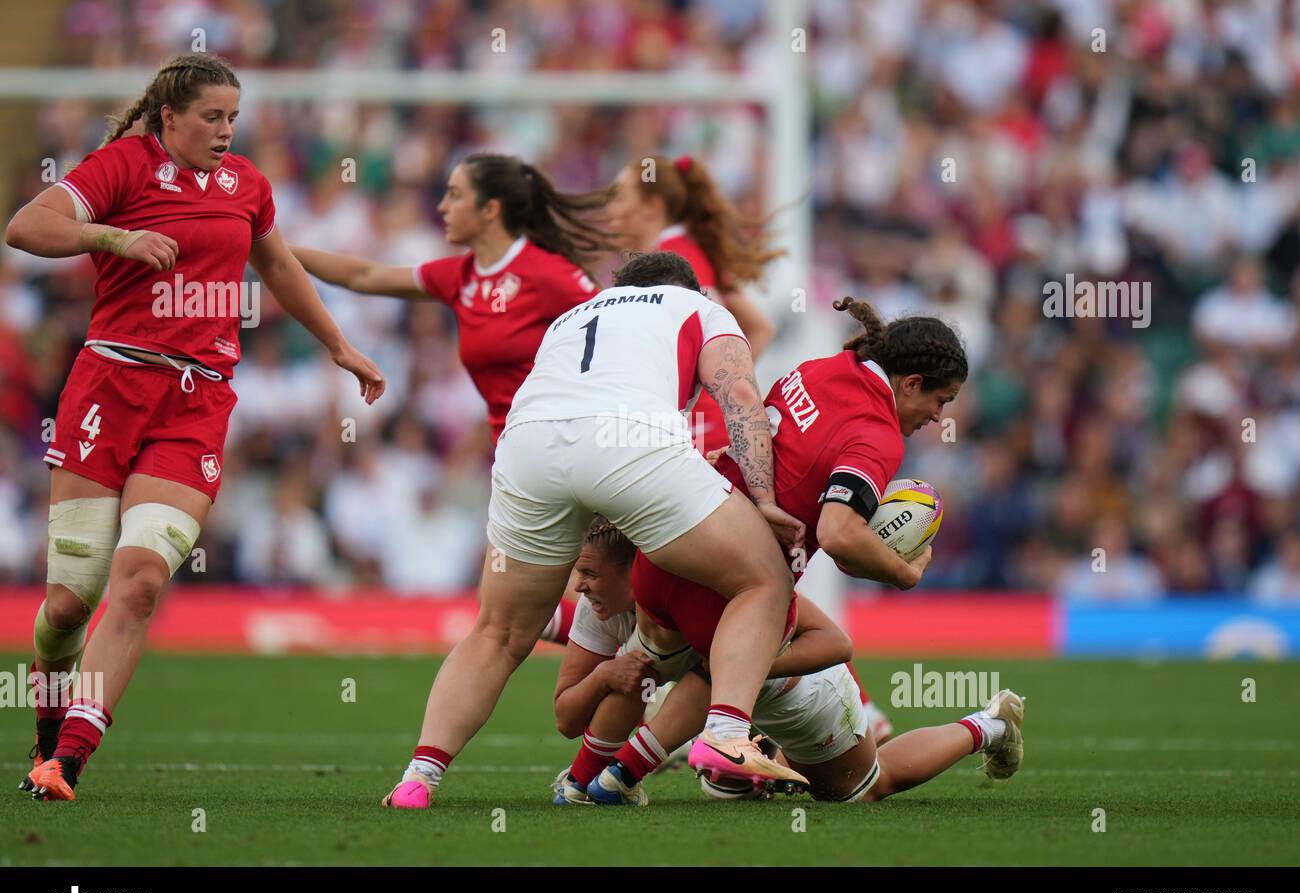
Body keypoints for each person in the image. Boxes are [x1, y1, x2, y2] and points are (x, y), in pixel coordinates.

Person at [4, 53, 386, 801]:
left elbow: (277, 268)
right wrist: (113, 239)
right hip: (108, 389)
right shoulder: (122, 164)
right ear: (169, 117)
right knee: (65, 607)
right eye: (211, 117)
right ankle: (46, 728)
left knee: (140, 581)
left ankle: (67, 760)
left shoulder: (247, 186)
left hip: (196, 401)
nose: (225, 131)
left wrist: (340, 346)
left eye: (233, 119)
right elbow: (26, 227)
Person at [380, 251, 808, 809]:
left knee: (497, 634)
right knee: (764, 581)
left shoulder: (572, 316)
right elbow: (741, 397)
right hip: (630, 440)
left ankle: (418, 779)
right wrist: (765, 497)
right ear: (691, 289)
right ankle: (725, 737)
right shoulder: (699, 309)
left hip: (528, 443)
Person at [570, 295, 983, 798]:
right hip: (736, 590)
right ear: (912, 383)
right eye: (942, 401)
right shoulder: (877, 435)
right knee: (860, 783)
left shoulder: (820, 368)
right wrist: (901, 572)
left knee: (654, 654)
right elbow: (836, 533)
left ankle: (586, 779)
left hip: (671, 554)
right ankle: (988, 723)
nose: (937, 417)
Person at [544, 520, 1023, 806]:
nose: (579, 586)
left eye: (588, 573)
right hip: (738, 704)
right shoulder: (615, 608)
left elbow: (836, 643)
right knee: (719, 779)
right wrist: (589, 766)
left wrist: (742, 670)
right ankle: (755, 752)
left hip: (803, 689)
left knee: (863, 787)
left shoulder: (709, 579)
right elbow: (581, 708)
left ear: (636, 567)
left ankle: (989, 726)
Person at [291, 154, 615, 443]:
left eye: (456, 195)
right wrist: (274, 249)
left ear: (490, 209)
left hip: (562, 448)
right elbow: (363, 276)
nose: (442, 206)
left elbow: (618, 330)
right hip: (514, 455)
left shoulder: (547, 272)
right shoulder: (460, 275)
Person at [604, 153, 781, 450]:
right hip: (703, 429)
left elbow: (730, 327)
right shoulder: (685, 252)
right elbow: (761, 327)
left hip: (700, 435)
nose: (611, 210)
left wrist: (718, 393)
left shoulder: (674, 264)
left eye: (620, 198)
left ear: (653, 206)